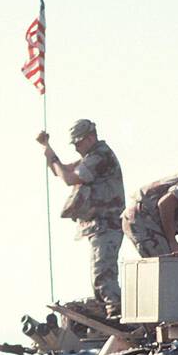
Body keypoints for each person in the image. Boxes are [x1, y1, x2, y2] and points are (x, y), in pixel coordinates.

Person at [38, 120, 125, 318]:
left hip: (107, 223)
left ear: (90, 138)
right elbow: (62, 170)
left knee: (103, 273)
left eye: (78, 143)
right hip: (99, 225)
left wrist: (51, 156)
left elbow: (70, 179)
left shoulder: (100, 155)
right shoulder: (91, 157)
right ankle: (110, 311)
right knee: (99, 273)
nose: (76, 148)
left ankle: (116, 312)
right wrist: (47, 148)